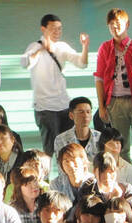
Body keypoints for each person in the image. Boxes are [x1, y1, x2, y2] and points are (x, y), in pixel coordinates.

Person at [21, 14, 91, 155]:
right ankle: (46, 177)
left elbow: (82, 63)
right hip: (45, 109)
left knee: (70, 148)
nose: (57, 32)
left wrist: (85, 47)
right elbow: (25, 63)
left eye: (59, 29)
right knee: (49, 150)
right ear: (43, 29)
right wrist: (42, 50)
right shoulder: (34, 47)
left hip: (64, 106)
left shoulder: (62, 47)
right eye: (53, 29)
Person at [93, 8, 132, 163]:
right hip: (114, 103)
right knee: (121, 148)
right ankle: (127, 184)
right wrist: (102, 106)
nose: (114, 27)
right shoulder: (104, 48)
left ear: (127, 24)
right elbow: (98, 78)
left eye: (118, 23)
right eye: (111, 24)